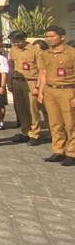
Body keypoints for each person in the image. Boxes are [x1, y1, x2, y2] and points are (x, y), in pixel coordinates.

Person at [37, 25, 75, 166]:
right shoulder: (45, 54)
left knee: (71, 123)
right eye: (47, 36)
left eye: (52, 36)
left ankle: (72, 153)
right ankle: (58, 150)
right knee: (55, 123)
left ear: (62, 37)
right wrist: (41, 91)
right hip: (50, 91)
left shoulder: (71, 53)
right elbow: (43, 74)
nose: (49, 39)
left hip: (68, 90)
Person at [8, 30, 44, 145]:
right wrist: (10, 82)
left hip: (31, 81)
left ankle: (35, 134)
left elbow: (41, 70)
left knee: (32, 109)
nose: (15, 44)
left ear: (24, 39)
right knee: (21, 108)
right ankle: (25, 132)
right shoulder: (13, 50)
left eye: (17, 42)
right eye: (13, 42)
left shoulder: (35, 51)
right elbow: (11, 67)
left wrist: (38, 87)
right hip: (17, 81)